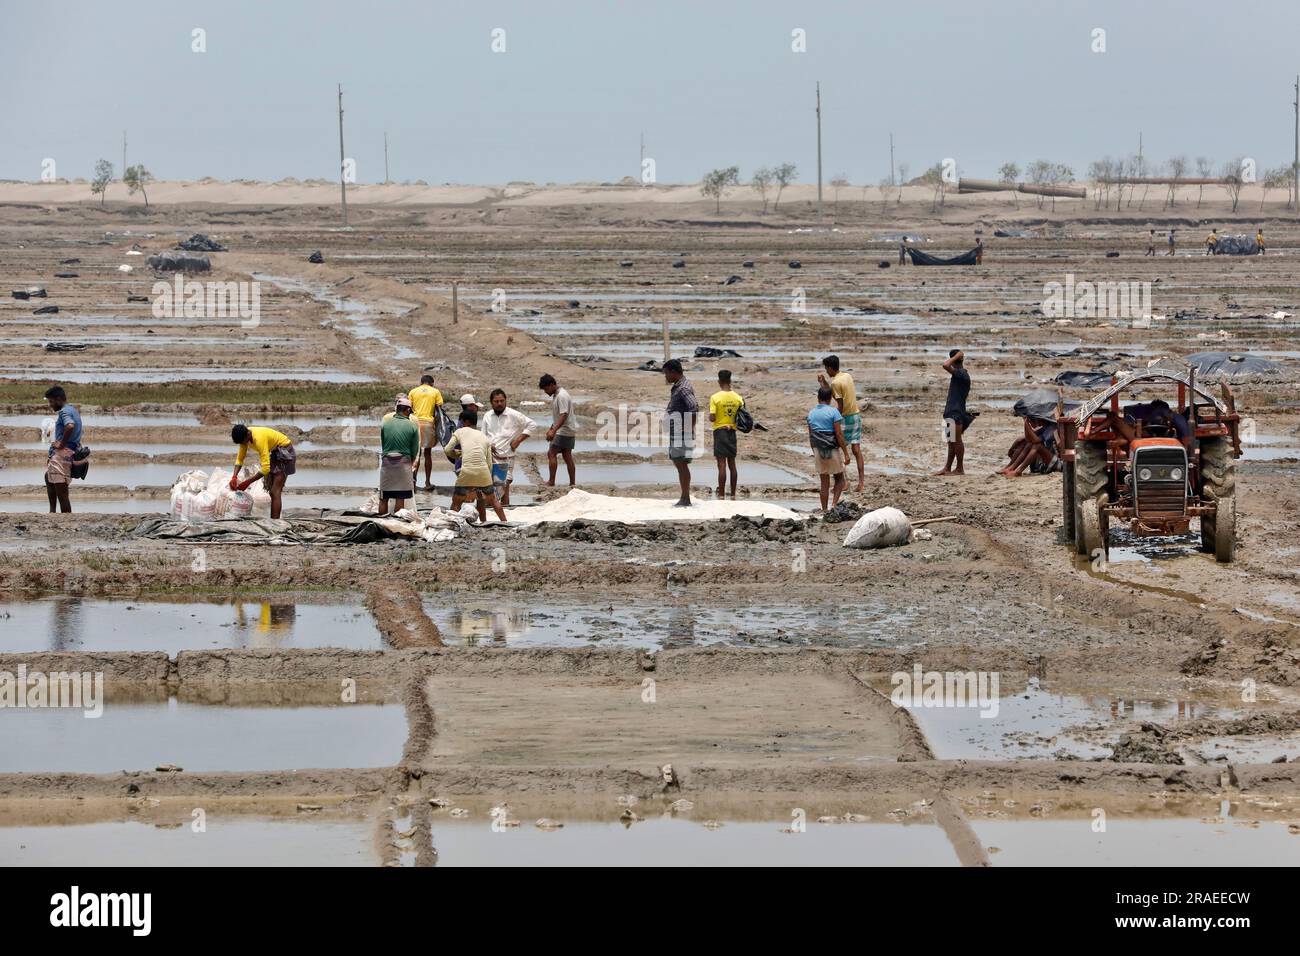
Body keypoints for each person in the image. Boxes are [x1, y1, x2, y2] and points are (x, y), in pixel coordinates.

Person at [444, 408, 507, 523]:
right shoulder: (484, 437)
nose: (461, 424)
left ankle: (450, 523)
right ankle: (505, 522)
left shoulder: (459, 432)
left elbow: (448, 450)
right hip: (484, 473)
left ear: (466, 422)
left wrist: (457, 454)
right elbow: (489, 463)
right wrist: (486, 479)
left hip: (467, 472)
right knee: (493, 500)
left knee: (456, 502)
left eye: (461, 422)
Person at [818, 354, 865, 492]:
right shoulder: (846, 376)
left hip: (845, 419)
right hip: (855, 416)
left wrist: (831, 418)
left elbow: (840, 405)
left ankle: (844, 482)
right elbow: (833, 392)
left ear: (830, 368)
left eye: (826, 368)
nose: (826, 371)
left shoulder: (836, 383)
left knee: (836, 449)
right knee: (856, 450)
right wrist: (823, 383)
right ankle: (861, 483)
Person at [230, 423, 295, 519]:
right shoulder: (244, 437)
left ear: (248, 434)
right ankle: (275, 518)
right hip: (275, 452)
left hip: (284, 452)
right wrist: (234, 477)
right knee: (273, 490)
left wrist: (248, 482)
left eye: (243, 442)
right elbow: (240, 459)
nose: (243, 445)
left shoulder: (259, 439)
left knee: (275, 491)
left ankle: (275, 523)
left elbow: (265, 468)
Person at [481, 387, 534, 507]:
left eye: (502, 401)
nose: (499, 404)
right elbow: (483, 436)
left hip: (506, 457)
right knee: (490, 487)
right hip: (490, 458)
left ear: (505, 401)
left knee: (504, 484)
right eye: (496, 401)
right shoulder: (487, 416)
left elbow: (531, 425)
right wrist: (488, 445)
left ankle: (500, 510)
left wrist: (518, 440)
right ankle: (499, 510)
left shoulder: (513, 414)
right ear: (491, 402)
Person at [663, 359, 699, 507]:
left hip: (681, 433)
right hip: (678, 431)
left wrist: (688, 427)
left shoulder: (683, 388)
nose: (665, 376)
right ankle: (684, 497)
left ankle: (685, 498)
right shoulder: (679, 385)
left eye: (666, 373)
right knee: (680, 463)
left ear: (673, 371)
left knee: (681, 464)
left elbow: (694, 407)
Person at [935, 349, 976, 476]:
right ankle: (947, 468)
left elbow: (945, 365)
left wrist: (957, 356)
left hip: (956, 412)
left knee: (956, 440)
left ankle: (959, 468)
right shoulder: (958, 374)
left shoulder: (961, 374)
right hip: (950, 411)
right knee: (950, 441)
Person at [378, 394, 420, 516]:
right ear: (407, 410)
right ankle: (396, 524)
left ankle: (381, 521)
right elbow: (414, 449)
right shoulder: (412, 425)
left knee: (383, 498)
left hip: (387, 463)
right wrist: (411, 463)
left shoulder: (386, 423)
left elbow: (383, 442)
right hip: (404, 464)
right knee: (400, 498)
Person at [808, 387, 848, 510]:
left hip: (818, 449)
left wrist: (814, 451)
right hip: (831, 449)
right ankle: (834, 504)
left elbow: (811, 435)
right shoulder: (834, 412)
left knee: (824, 483)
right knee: (840, 478)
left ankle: (824, 509)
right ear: (830, 399)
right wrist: (846, 453)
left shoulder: (811, 413)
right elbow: (839, 434)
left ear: (818, 398)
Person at [43, 385, 81, 514]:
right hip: (67, 453)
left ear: (59, 399)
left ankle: (65, 518)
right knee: (48, 477)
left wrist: (61, 444)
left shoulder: (64, 411)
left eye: (51, 401)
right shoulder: (72, 409)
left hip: (62, 455)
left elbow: (70, 426)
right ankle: (52, 512)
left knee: (62, 492)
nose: (50, 405)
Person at [708, 369, 743, 500]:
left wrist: (712, 417)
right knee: (732, 464)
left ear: (719, 381)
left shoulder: (715, 397)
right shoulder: (738, 398)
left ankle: (721, 496)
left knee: (721, 464)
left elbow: (712, 418)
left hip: (720, 431)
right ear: (730, 381)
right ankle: (733, 495)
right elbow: (741, 416)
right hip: (732, 432)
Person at [408, 374, 444, 491]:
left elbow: (409, 408)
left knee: (416, 454)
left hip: (414, 423)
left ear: (421, 382)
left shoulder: (413, 391)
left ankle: (413, 482)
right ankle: (427, 482)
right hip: (428, 423)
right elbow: (438, 409)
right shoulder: (435, 392)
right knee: (427, 454)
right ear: (432, 383)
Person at [539, 374, 577, 486]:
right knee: (567, 455)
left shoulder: (561, 396)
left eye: (546, 389)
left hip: (563, 431)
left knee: (551, 453)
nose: (546, 392)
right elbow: (559, 416)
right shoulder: (559, 395)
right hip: (568, 430)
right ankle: (572, 483)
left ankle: (551, 482)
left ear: (551, 385)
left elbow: (563, 415)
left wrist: (553, 431)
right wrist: (551, 428)